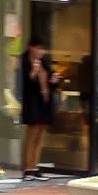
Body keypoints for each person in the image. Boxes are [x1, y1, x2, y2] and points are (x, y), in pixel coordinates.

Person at [18, 36, 59, 180]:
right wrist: (33, 73)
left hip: (44, 103)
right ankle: (27, 168)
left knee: (40, 135)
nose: (41, 51)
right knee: (32, 135)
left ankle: (35, 167)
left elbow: (51, 81)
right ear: (31, 47)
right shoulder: (24, 61)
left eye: (43, 49)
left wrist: (54, 81)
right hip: (33, 103)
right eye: (38, 48)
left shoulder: (44, 63)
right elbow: (24, 84)